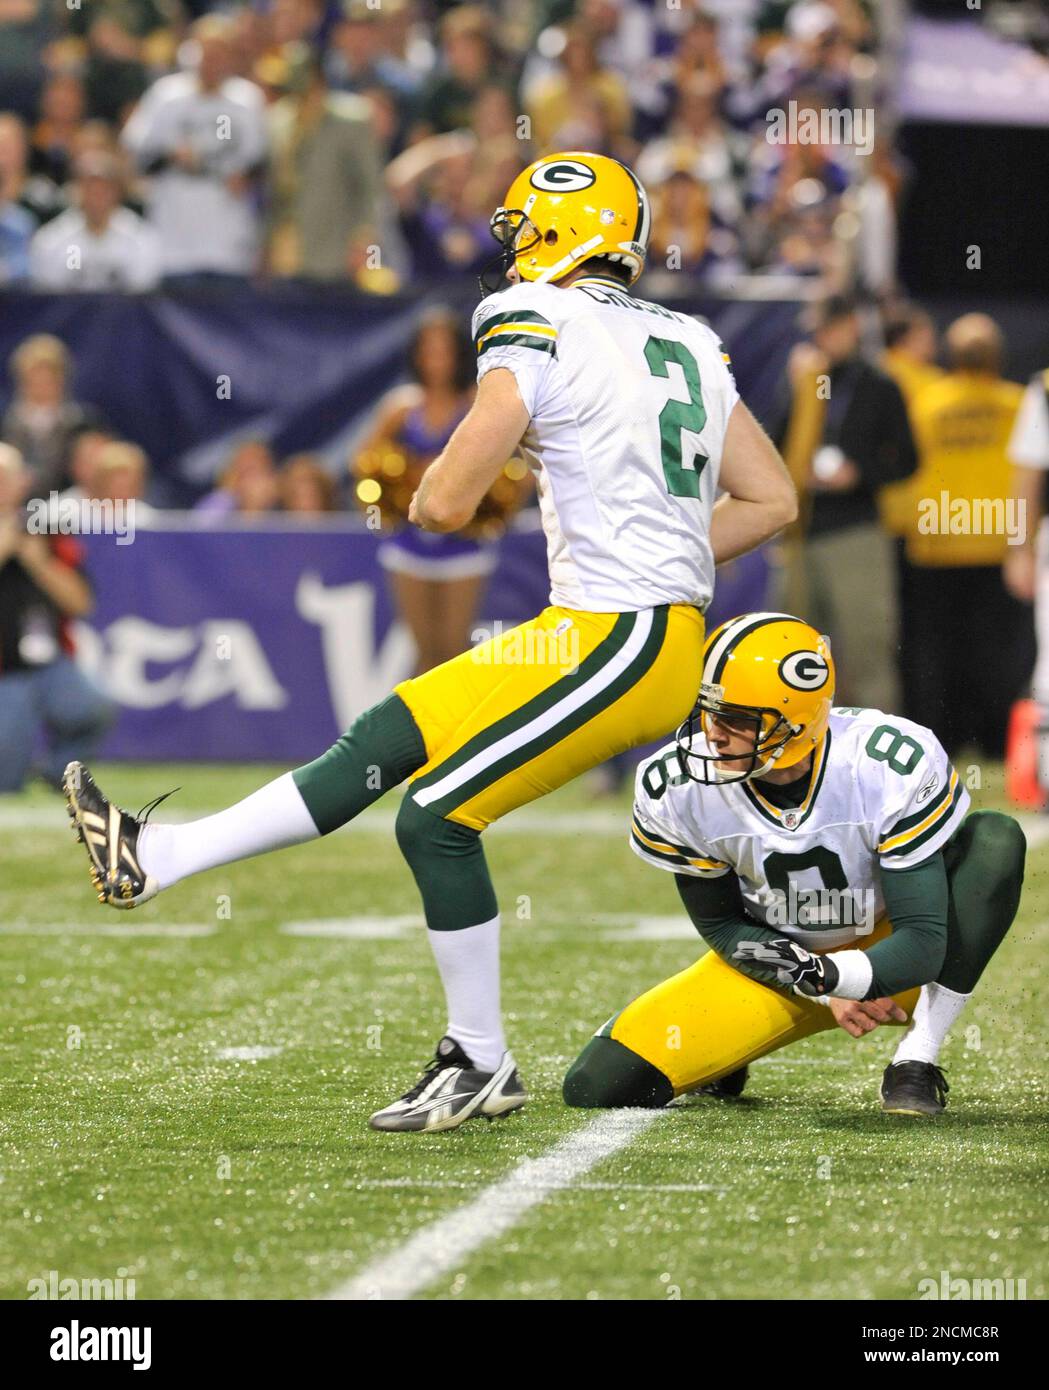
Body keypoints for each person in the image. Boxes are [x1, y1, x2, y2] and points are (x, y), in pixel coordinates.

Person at [65, 150, 797, 1134]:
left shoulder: (531, 320)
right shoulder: (691, 338)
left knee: (435, 817)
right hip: (604, 625)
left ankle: (479, 1059)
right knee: (382, 740)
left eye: (518, 231)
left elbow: (445, 502)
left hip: (619, 635)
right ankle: (158, 857)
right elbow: (773, 497)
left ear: (553, 231)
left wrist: (534, 471)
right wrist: (668, 550)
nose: (508, 255)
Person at [563, 613, 1025, 1119]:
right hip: (779, 962)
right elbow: (721, 924)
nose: (714, 735)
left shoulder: (885, 762)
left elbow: (921, 943)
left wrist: (838, 976)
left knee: (995, 840)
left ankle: (917, 1057)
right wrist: (820, 984)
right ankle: (731, 1055)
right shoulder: (677, 787)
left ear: (798, 723)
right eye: (709, 712)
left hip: (898, 958)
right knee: (598, 1083)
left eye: (736, 719)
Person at [773, 295, 917, 711]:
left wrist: (859, 474)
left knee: (866, 648)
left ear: (852, 325)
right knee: (796, 651)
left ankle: (882, 756)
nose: (821, 338)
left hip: (856, 532)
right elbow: (775, 444)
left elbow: (908, 459)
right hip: (801, 533)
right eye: (817, 329)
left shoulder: (879, 383)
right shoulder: (803, 379)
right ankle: (797, 751)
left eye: (829, 328)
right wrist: (797, 389)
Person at [901, 314, 1032, 757]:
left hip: (939, 543)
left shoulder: (927, 402)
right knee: (999, 654)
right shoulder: (1018, 403)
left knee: (940, 653)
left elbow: (908, 469)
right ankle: (996, 742)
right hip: (998, 543)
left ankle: (946, 738)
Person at [353, 308, 492, 674]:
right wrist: (401, 474)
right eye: (428, 349)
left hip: (464, 543)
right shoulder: (401, 407)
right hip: (408, 545)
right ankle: (430, 731)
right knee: (423, 652)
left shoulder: (476, 403)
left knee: (454, 650)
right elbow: (362, 461)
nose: (435, 359)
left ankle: (462, 731)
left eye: (444, 349)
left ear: (459, 354)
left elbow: (510, 464)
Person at [0, 444, 113, 793]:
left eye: (6, 477)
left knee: (95, 708)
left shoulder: (44, 529)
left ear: (23, 481)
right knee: (6, 781)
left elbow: (81, 602)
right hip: (4, 673)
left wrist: (40, 564)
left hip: (48, 662)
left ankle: (54, 770)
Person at [121, 14, 268, 282]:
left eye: (221, 52)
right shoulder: (167, 95)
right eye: (206, 51)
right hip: (174, 244)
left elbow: (262, 163)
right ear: (191, 52)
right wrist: (171, 157)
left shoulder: (247, 100)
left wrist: (246, 179)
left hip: (229, 244)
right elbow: (137, 157)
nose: (212, 60)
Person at [30, 152, 162, 291]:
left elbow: (143, 290)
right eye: (90, 189)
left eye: (104, 190)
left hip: (123, 311)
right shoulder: (53, 238)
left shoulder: (140, 238)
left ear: (117, 192)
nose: (96, 198)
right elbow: (48, 289)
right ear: (78, 191)